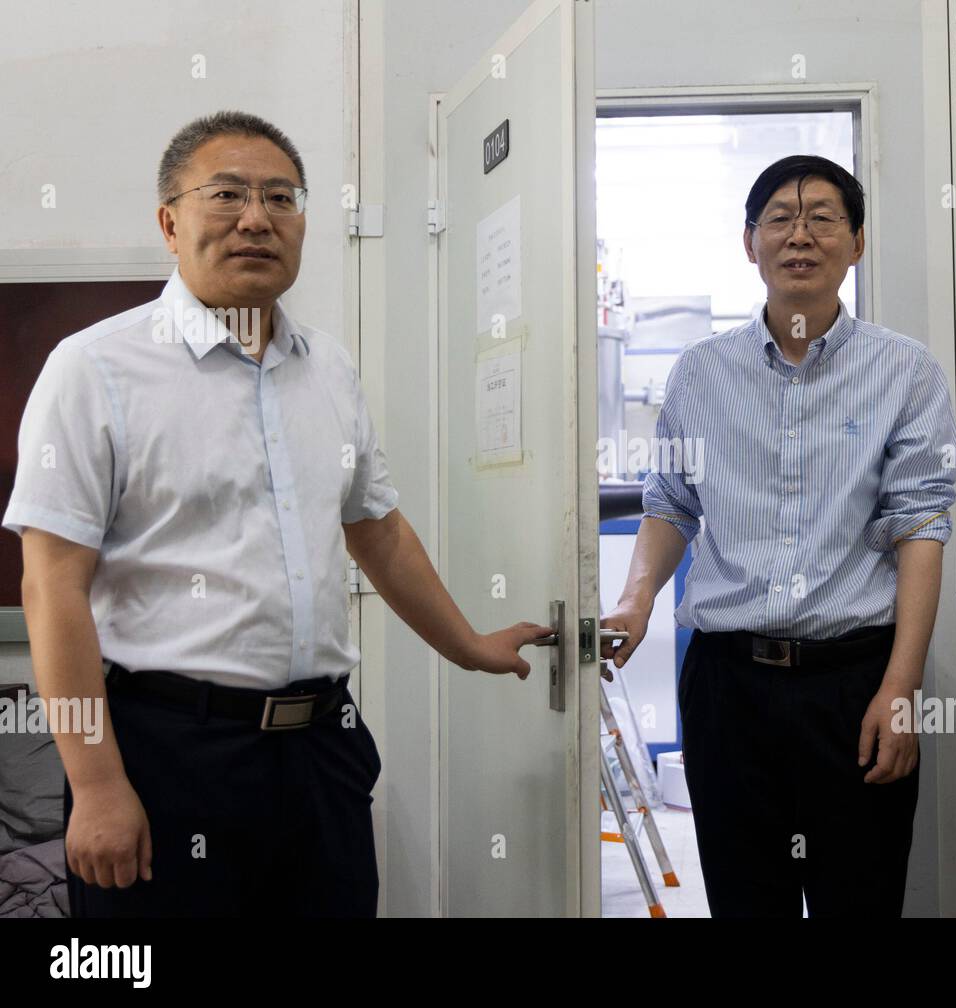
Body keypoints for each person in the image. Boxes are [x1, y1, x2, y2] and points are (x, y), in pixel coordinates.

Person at [3, 109, 551, 917]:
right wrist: (96, 785)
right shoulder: (94, 369)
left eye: (281, 198)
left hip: (320, 751)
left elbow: (378, 530)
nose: (256, 217)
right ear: (170, 221)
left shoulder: (326, 367)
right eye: (225, 194)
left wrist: (466, 645)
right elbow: (52, 586)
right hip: (170, 754)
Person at [601, 155, 956, 917]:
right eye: (779, 219)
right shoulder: (700, 374)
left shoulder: (907, 373)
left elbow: (922, 526)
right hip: (730, 687)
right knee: (744, 900)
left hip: (856, 681)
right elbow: (671, 503)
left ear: (856, 242)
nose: (800, 235)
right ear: (749, 242)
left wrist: (902, 688)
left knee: (858, 901)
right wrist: (635, 599)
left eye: (823, 217)